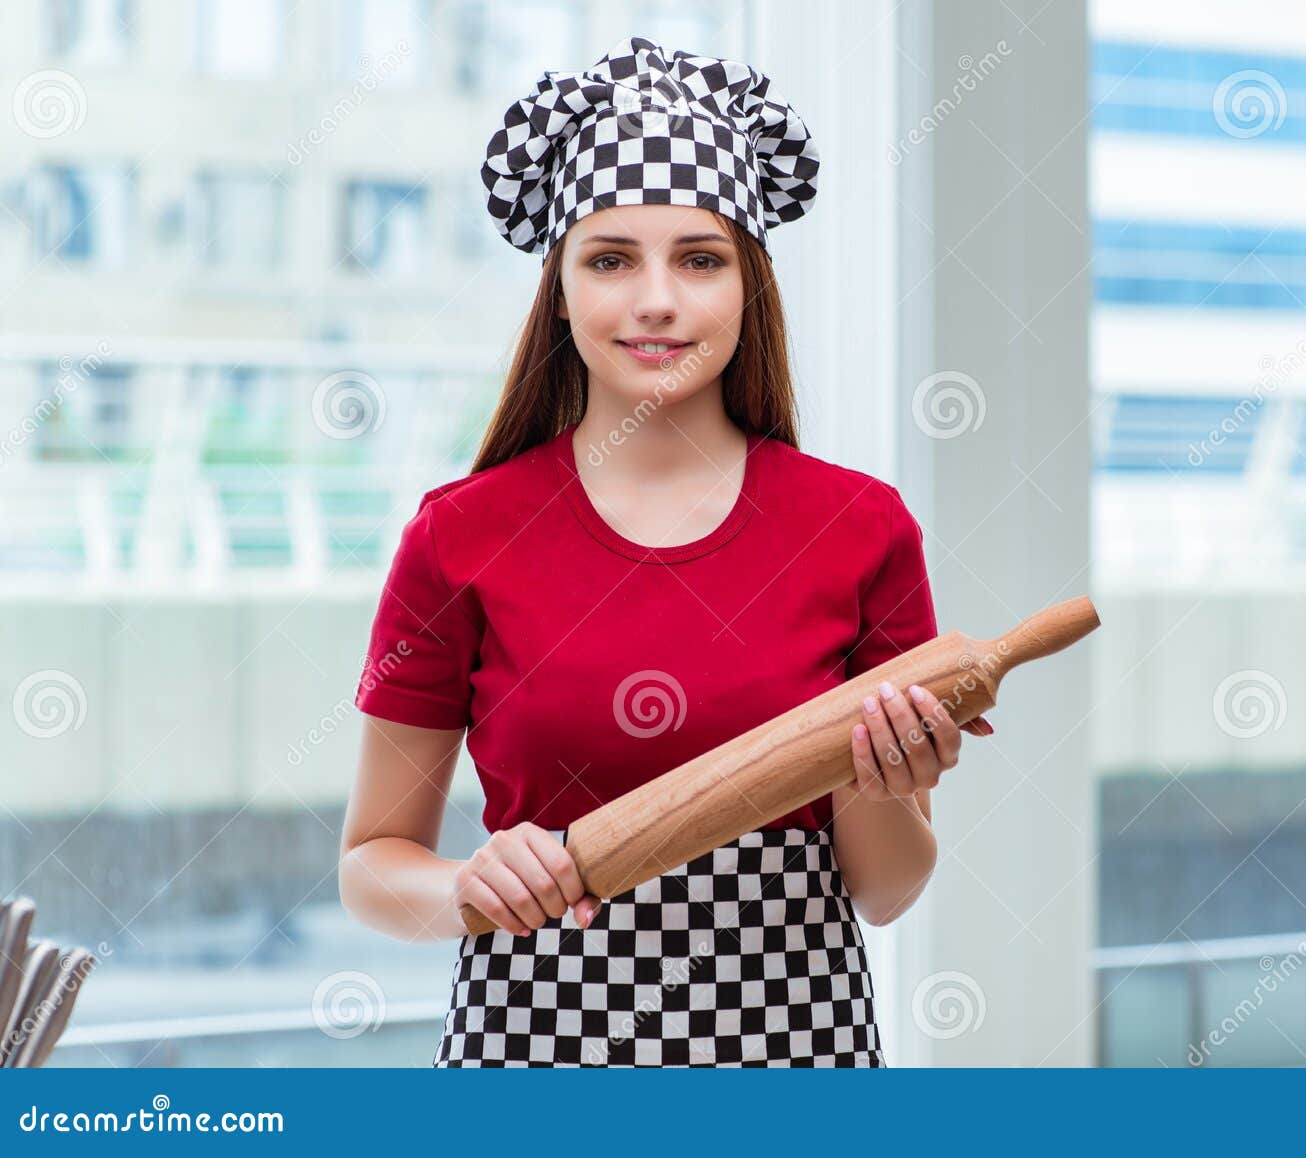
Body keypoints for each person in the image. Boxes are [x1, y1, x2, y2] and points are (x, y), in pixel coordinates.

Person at [337, 35, 992, 1068]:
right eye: (610, 260)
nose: (656, 299)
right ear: (558, 288)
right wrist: (465, 887)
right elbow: (373, 863)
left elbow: (883, 890)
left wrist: (875, 780)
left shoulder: (858, 529)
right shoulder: (458, 535)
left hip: (793, 1054)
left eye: (698, 259)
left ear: (748, 288)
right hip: (533, 1053)